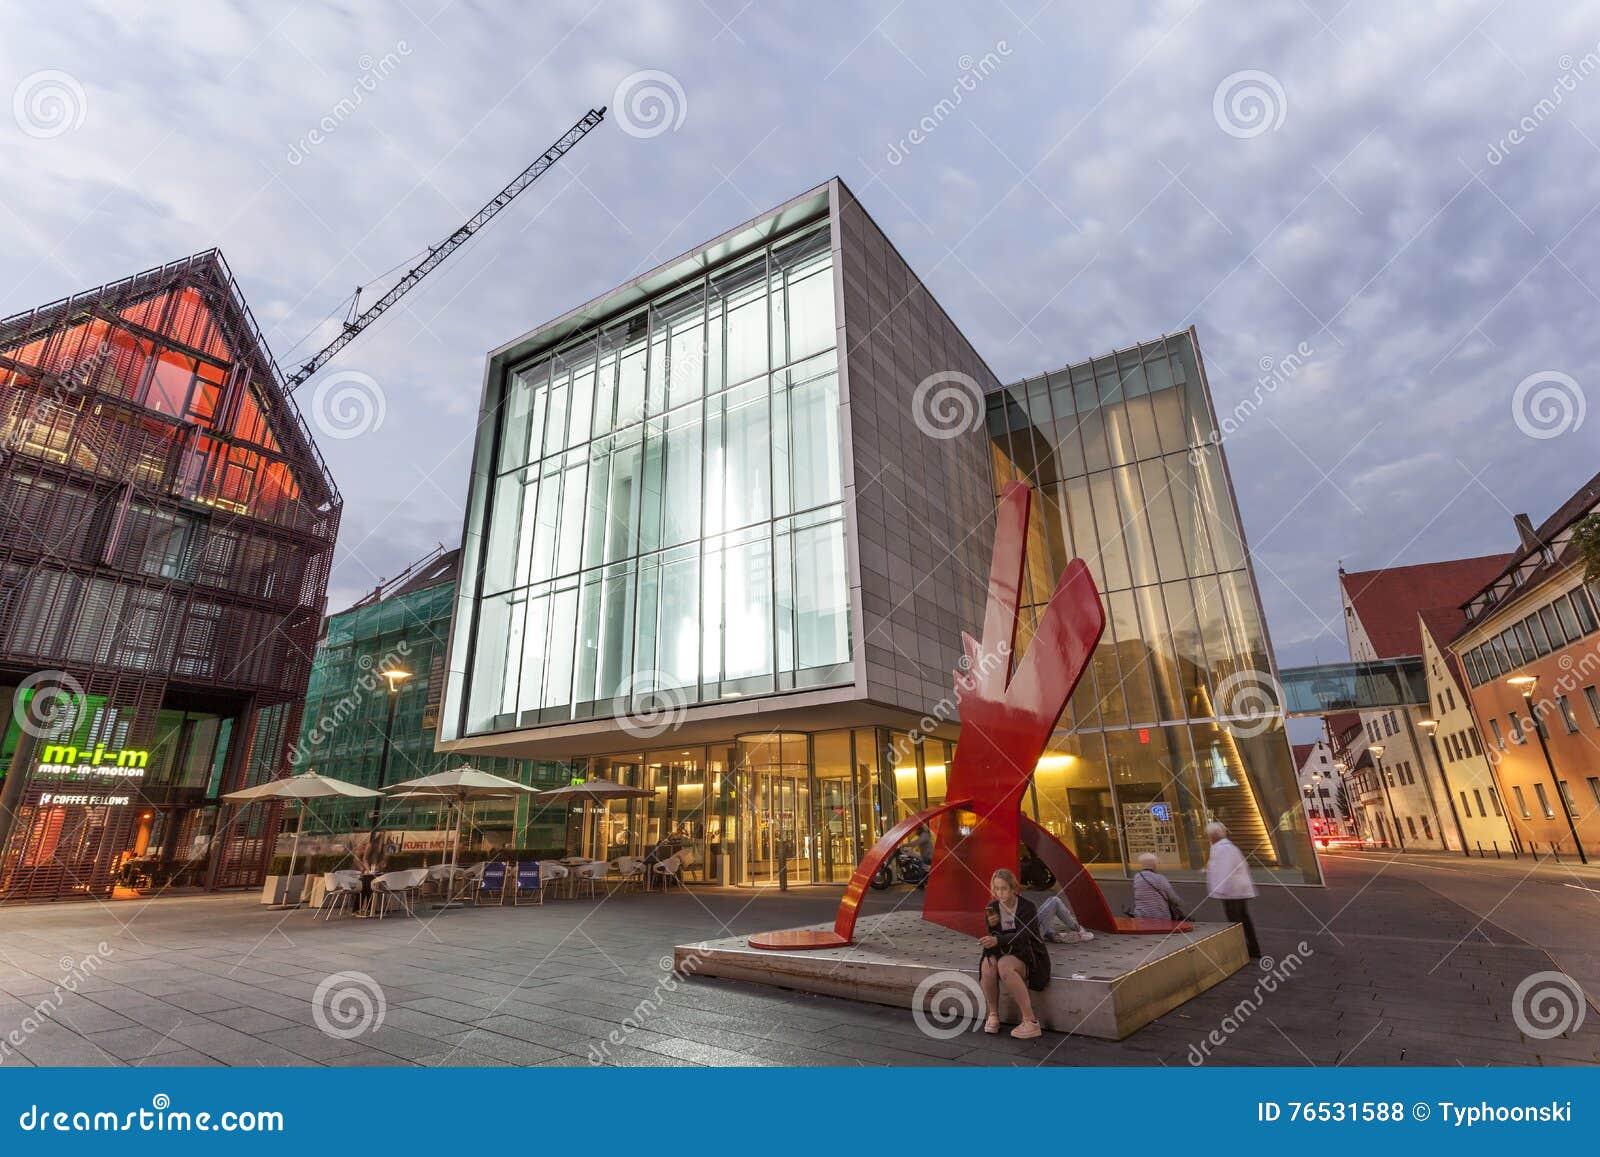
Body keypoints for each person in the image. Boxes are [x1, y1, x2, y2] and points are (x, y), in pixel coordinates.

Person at [978, 868, 1049, 1039]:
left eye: (1003, 888)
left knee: (1004, 965)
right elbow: (994, 936)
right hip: (1004, 951)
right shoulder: (992, 908)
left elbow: (1024, 936)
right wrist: (990, 938)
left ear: (1013, 888)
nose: (999, 893)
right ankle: (993, 1015)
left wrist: (998, 940)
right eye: (996, 888)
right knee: (988, 966)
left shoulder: (1027, 907)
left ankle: (1030, 1022)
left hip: (1028, 953)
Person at [1204, 821, 1260, 958]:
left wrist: (1220, 888)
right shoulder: (1225, 847)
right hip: (1234, 889)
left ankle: (1246, 949)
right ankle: (1251, 948)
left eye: (1209, 835)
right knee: (1242, 919)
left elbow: (1225, 869)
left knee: (1236, 920)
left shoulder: (1224, 848)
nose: (1209, 838)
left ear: (1214, 835)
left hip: (1232, 890)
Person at [1131, 852, 1185, 921]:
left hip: (1140, 915)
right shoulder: (1160, 878)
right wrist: (1180, 903)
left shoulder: (1137, 877)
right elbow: (1172, 897)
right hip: (1160, 916)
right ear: (1154, 865)